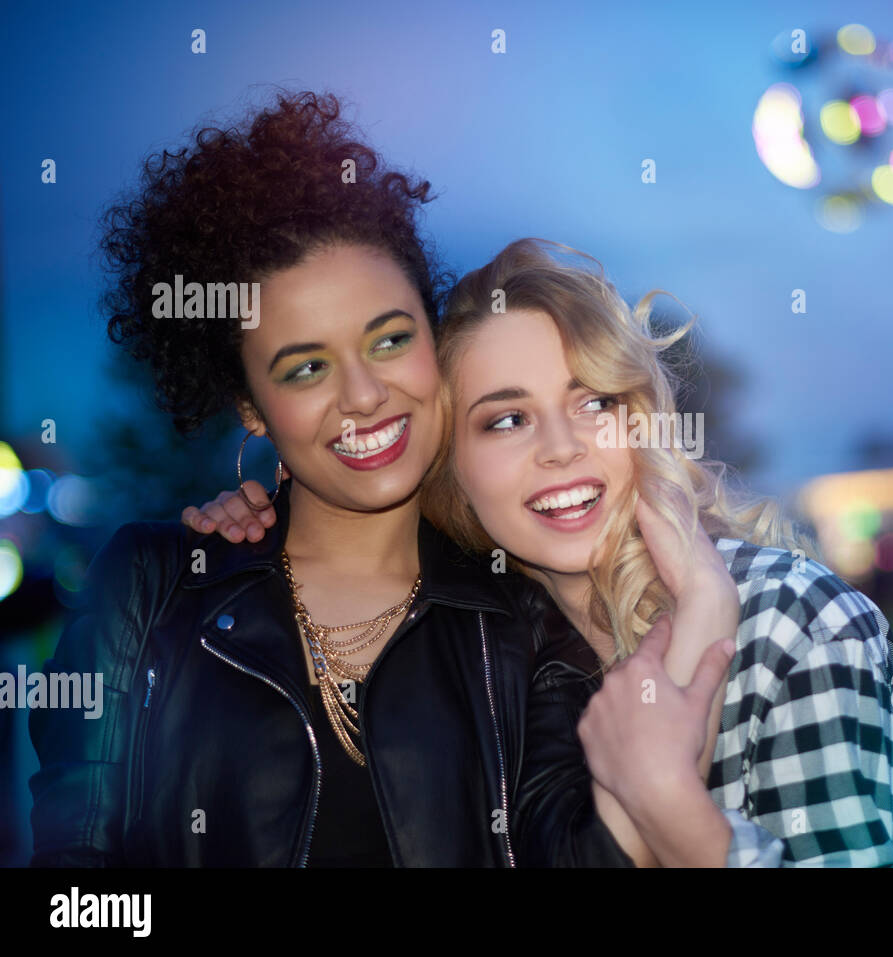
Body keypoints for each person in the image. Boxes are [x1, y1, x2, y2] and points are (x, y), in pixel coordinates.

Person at [29, 92, 738, 868]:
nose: (364, 395)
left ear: (433, 341)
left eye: (390, 338)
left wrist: (705, 604)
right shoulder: (150, 586)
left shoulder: (524, 615)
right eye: (305, 367)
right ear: (251, 407)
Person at [196, 238, 893, 866]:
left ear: (639, 419)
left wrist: (671, 797)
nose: (562, 447)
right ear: (452, 464)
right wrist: (267, 516)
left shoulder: (787, 618)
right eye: (506, 418)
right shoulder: (504, 668)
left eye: (593, 400)